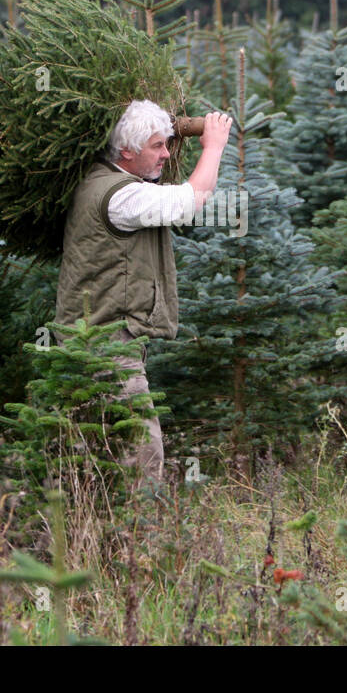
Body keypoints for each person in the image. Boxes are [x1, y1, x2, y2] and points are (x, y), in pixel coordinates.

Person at [54, 99, 233, 484]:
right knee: (141, 451)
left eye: (167, 143)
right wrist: (214, 145)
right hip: (104, 342)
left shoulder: (102, 179)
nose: (166, 155)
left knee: (100, 450)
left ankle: (94, 531)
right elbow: (188, 203)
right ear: (126, 151)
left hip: (94, 337)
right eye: (157, 146)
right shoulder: (121, 197)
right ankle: (139, 537)